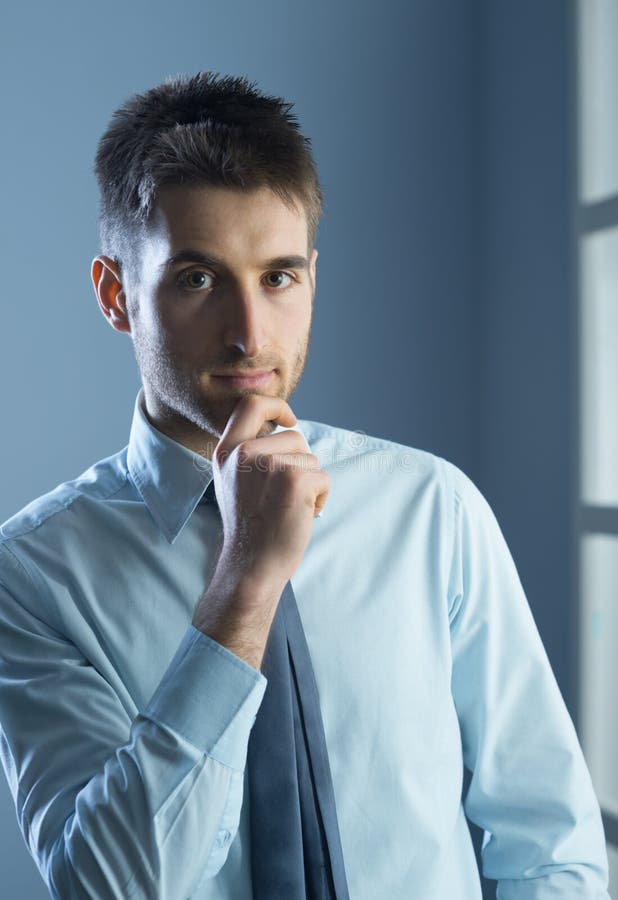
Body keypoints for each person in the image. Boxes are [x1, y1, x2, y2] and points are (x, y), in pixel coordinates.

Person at [0, 70, 611, 900]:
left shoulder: (432, 509)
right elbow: (108, 888)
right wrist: (245, 584)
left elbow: (551, 845)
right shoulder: (34, 576)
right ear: (117, 296)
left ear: (312, 279)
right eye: (198, 278)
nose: (251, 334)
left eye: (279, 277)